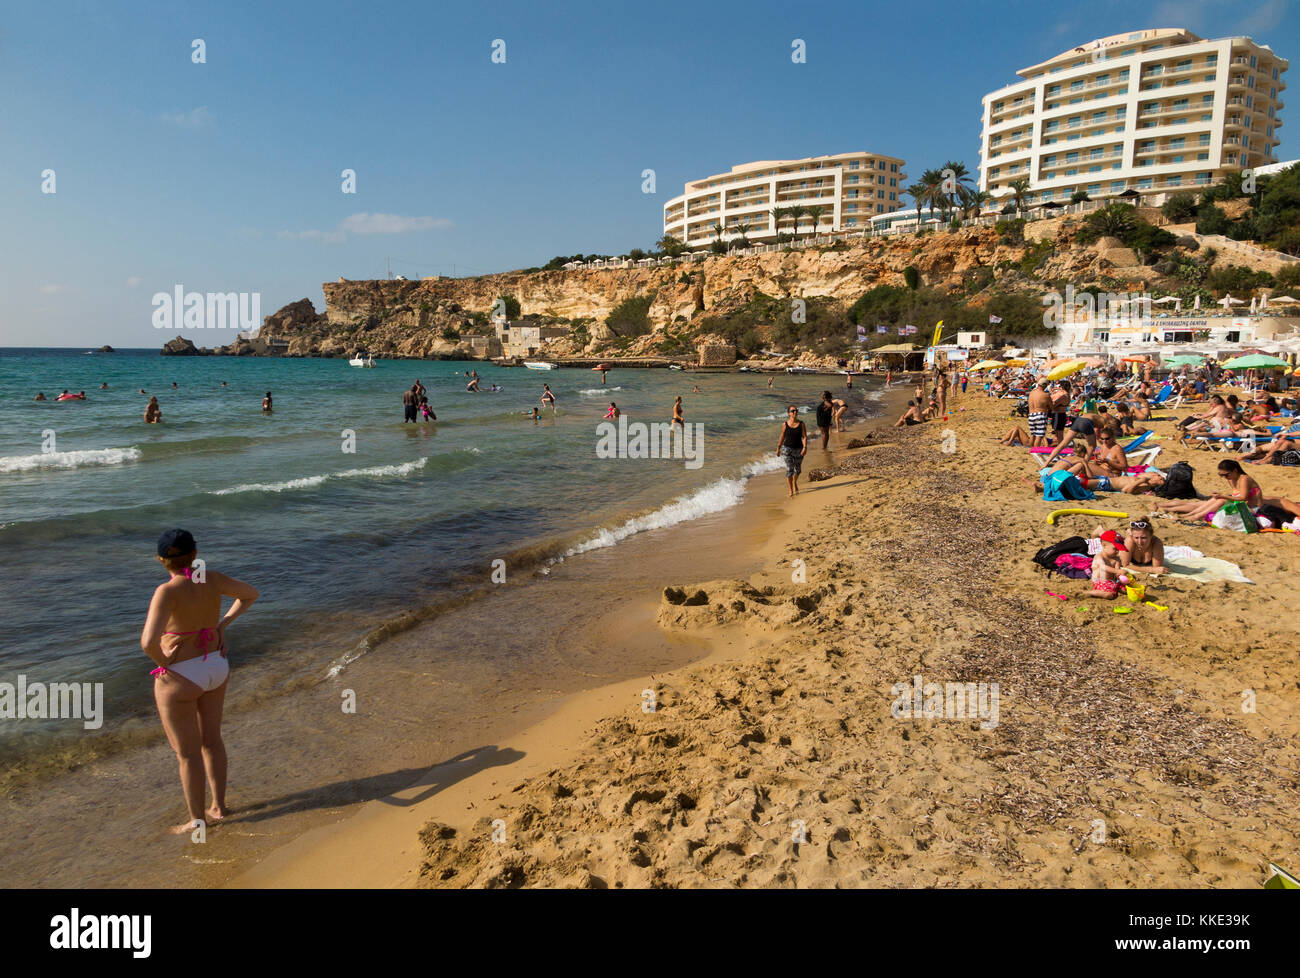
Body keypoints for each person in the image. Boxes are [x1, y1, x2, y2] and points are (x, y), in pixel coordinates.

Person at [140, 529, 258, 834]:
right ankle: (219, 807)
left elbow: (148, 643)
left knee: (188, 754)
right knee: (212, 741)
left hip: (182, 675)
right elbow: (250, 594)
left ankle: (197, 822)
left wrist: (163, 660)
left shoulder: (167, 592)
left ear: (161, 560)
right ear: (195, 554)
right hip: (215, 667)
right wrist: (222, 625)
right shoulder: (213, 578)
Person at [776, 406, 807, 497]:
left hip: (799, 449)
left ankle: (794, 482)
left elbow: (804, 436)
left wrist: (805, 447)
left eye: (796, 411)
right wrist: (778, 448)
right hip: (787, 449)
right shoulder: (785, 424)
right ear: (789, 413)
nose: (795, 412)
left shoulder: (801, 424)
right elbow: (782, 436)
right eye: (792, 411)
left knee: (798, 470)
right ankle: (790, 489)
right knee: (790, 470)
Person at [1027, 381, 1051, 447]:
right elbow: (1051, 406)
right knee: (1039, 436)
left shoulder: (1032, 393)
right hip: (1040, 415)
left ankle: (1031, 449)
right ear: (1045, 386)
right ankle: (1035, 451)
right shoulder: (1046, 395)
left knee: (1032, 435)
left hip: (1031, 415)